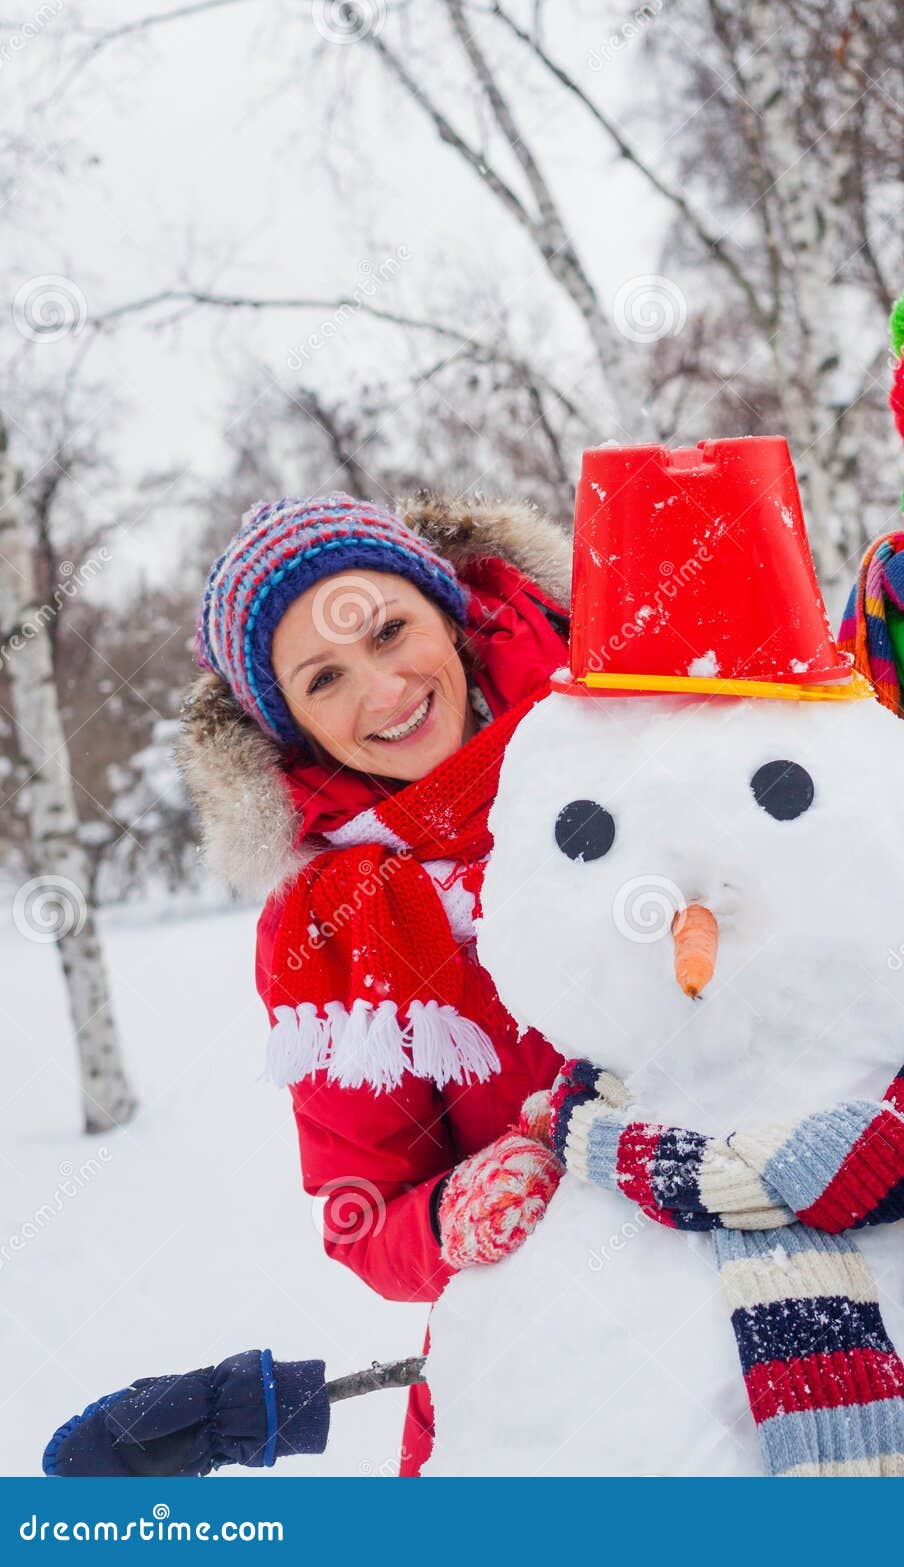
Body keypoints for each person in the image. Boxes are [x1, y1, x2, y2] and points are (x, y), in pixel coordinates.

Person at [175, 492, 574, 1474]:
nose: (386, 688)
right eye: (325, 678)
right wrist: (457, 1215)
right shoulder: (328, 922)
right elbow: (369, 1217)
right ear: (293, 727)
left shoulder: (625, 714)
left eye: (392, 629)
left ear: (449, 611)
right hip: (568, 1338)